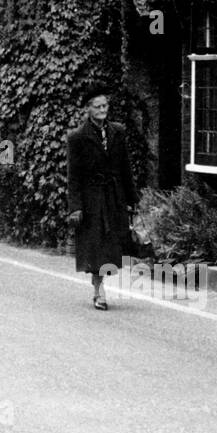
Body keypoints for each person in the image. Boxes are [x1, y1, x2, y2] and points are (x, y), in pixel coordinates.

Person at [66, 91, 138, 311]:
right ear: (88, 109)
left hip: (113, 196)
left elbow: (125, 167)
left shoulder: (117, 132)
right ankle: (99, 291)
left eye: (105, 105)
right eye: (97, 106)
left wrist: (131, 199)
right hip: (91, 200)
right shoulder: (78, 137)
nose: (102, 110)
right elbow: (74, 175)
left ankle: (100, 283)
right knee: (95, 245)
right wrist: (75, 207)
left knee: (110, 245)